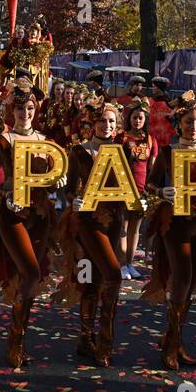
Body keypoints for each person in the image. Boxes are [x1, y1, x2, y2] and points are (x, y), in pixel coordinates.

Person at [141, 91, 196, 370]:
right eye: (189, 122)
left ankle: (174, 339)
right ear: (179, 125)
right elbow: (149, 185)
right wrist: (162, 191)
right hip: (175, 223)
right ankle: (172, 343)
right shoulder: (167, 152)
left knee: (190, 284)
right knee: (181, 279)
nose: (195, 127)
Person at [0, 79, 62, 371]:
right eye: (19, 108)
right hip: (12, 214)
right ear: (11, 111)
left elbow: (55, 176)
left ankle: (19, 338)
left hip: (39, 215)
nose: (25, 113)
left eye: (29, 108)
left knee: (33, 276)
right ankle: (15, 340)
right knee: (29, 270)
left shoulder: (46, 142)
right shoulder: (3, 140)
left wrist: (58, 181)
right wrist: (6, 195)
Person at [59, 101, 142, 367]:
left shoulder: (124, 151)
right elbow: (69, 189)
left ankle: (85, 338)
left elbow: (131, 185)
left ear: (117, 124)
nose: (106, 126)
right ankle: (105, 342)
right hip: (88, 223)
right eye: (101, 121)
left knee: (93, 281)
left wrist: (142, 200)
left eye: (110, 121)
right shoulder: (79, 152)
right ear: (91, 123)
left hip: (114, 221)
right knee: (113, 275)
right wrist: (74, 201)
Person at [120, 98, 156, 279]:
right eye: (134, 117)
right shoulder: (122, 137)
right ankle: (120, 264)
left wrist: (150, 190)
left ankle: (129, 263)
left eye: (140, 118)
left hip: (142, 190)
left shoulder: (151, 140)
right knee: (123, 227)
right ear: (129, 119)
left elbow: (153, 167)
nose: (137, 121)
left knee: (135, 228)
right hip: (124, 187)